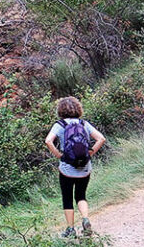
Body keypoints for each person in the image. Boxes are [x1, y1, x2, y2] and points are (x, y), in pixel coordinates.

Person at [45, 96, 105, 238]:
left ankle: (71, 230)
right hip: (84, 168)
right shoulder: (83, 124)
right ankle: (85, 219)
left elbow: (48, 141)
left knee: (67, 198)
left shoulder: (59, 125)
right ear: (78, 109)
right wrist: (91, 153)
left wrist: (59, 155)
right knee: (80, 195)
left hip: (67, 168)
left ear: (60, 110)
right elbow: (101, 138)